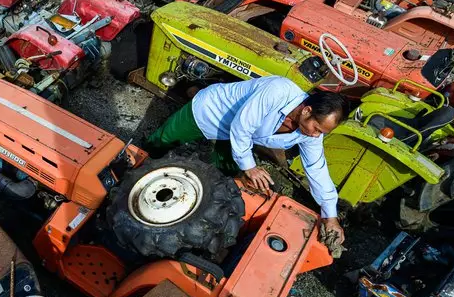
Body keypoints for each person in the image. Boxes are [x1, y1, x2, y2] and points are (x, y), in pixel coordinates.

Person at [147, 75, 349, 243]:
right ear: (307, 110)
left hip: (239, 138)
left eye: (321, 133)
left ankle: (203, 201)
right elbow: (242, 126)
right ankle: (140, 161)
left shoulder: (310, 133)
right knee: (164, 140)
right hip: (213, 112)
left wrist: (330, 216)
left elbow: (316, 168)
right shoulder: (277, 90)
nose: (316, 135)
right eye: (316, 129)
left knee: (226, 171)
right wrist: (250, 167)